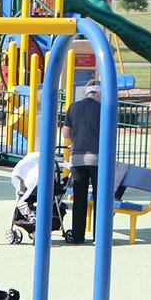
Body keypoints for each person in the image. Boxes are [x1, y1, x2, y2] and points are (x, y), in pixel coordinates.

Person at [63, 83, 102, 244]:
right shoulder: (103, 108)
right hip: (98, 158)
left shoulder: (74, 107)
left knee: (79, 198)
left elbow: (66, 132)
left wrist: (76, 139)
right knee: (100, 197)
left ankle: (78, 236)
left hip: (77, 157)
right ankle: (98, 237)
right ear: (98, 94)